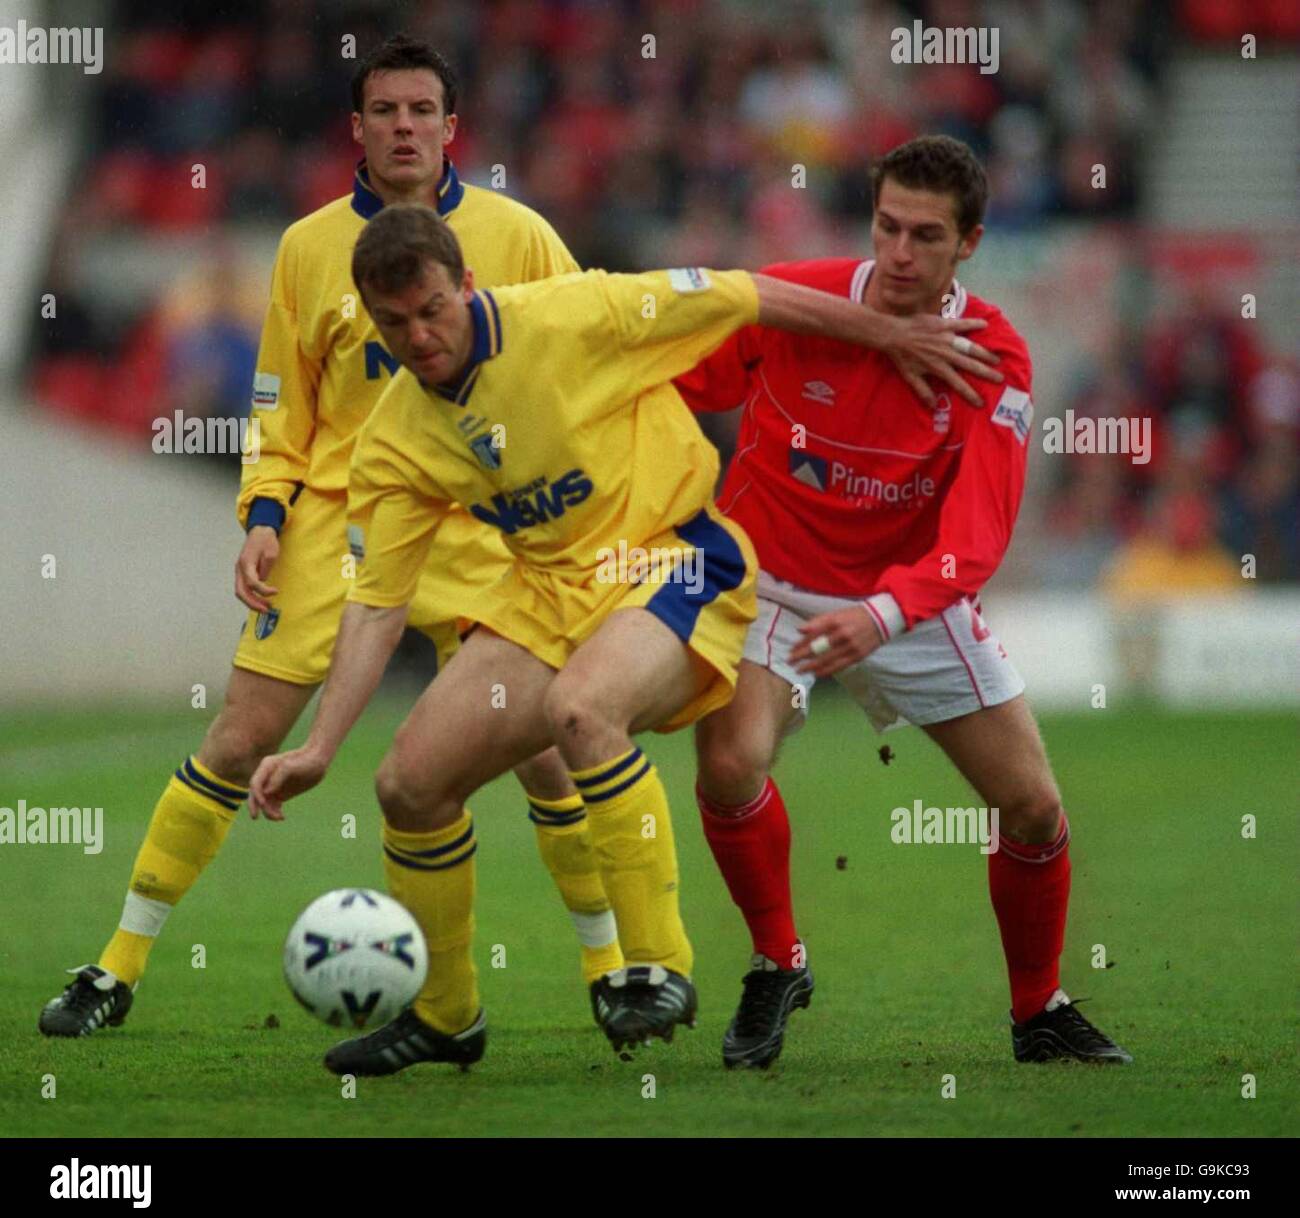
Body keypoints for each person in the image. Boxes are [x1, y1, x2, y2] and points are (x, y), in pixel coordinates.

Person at [247, 201, 1001, 1075]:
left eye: (433, 309)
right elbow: (375, 604)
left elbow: (749, 293)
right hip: (544, 595)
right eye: (396, 323)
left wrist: (886, 337)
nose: (420, 335)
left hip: (672, 559)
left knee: (583, 709)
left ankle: (657, 967)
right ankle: (446, 1017)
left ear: (468, 287)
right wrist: (318, 746)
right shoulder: (394, 441)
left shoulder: (578, 313)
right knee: (408, 786)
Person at [39, 34, 625, 1038]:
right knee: (239, 735)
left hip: (478, 517)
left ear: (452, 127)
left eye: (420, 111)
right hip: (338, 517)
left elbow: (581, 352)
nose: (403, 127)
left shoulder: (519, 234)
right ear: (356, 128)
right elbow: (278, 403)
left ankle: (613, 971)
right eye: (385, 111)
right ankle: (115, 966)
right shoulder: (307, 247)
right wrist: (264, 514)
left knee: (538, 749)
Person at [675, 135, 1132, 1069]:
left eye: (926, 236)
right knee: (730, 765)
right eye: (886, 227)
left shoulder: (991, 353)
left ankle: (1037, 1008)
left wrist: (884, 615)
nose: (898, 254)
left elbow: (977, 537)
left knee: (1034, 808)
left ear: (969, 243)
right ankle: (777, 962)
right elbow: (678, 376)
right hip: (766, 580)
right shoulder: (794, 297)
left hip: (907, 600)